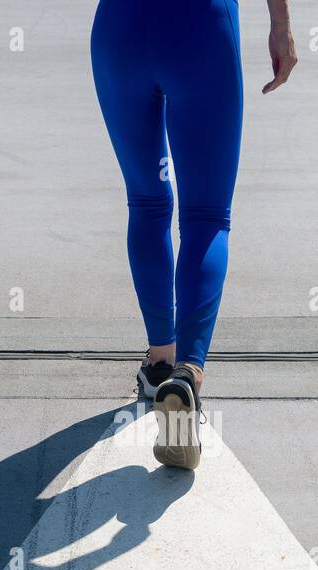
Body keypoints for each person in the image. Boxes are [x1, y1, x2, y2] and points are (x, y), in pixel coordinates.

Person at [92, 0, 298, 469]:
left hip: (120, 29)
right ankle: (186, 375)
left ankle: (159, 362)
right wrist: (281, 24)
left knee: (147, 202)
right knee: (206, 216)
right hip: (199, 27)